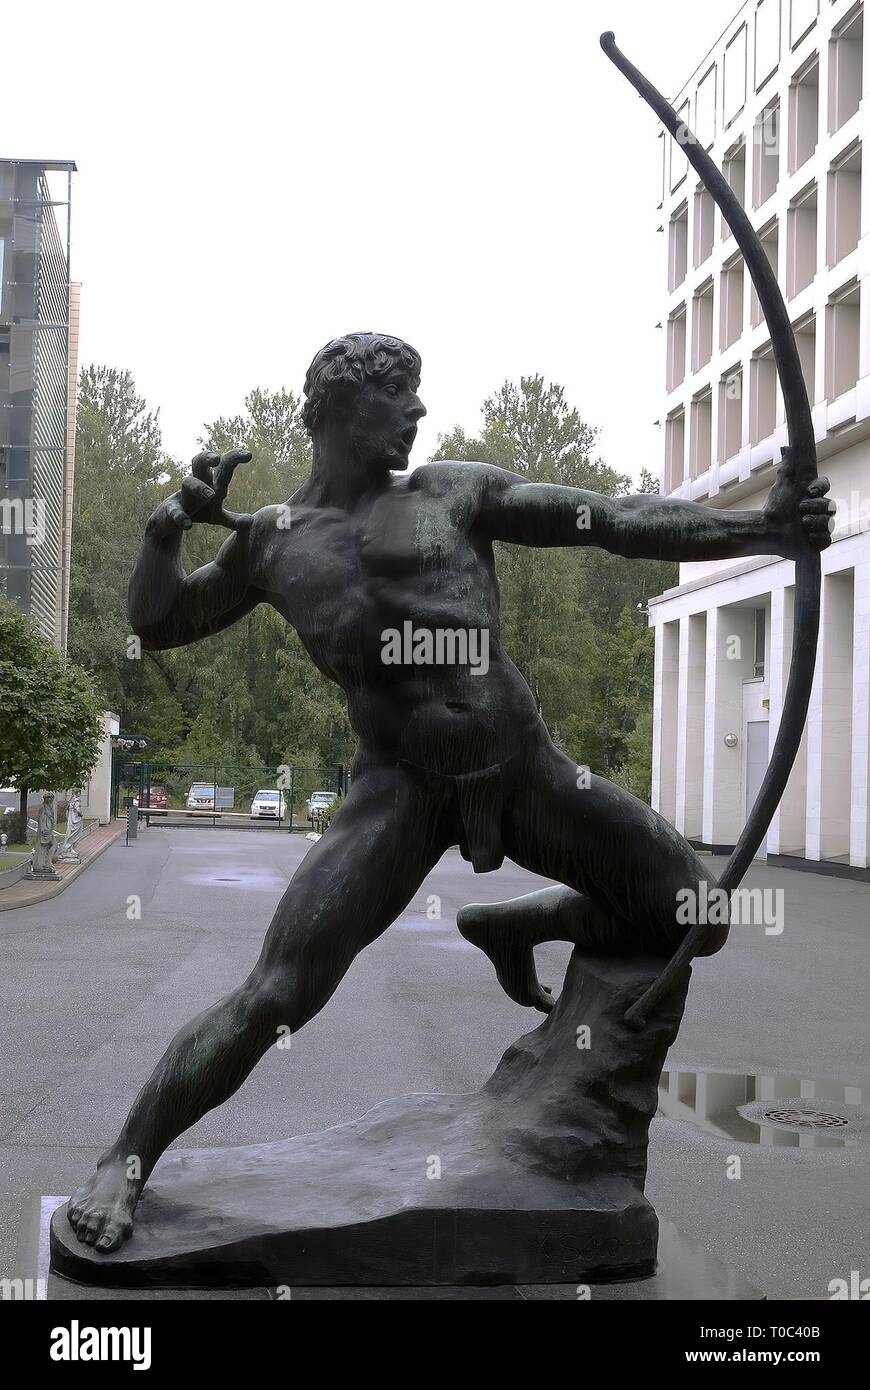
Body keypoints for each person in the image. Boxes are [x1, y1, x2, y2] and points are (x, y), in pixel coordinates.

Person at [67, 332, 833, 1252]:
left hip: (524, 771)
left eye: (417, 392)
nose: (419, 411)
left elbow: (613, 518)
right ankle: (125, 1159)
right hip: (399, 790)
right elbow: (158, 622)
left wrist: (763, 530)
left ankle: (524, 920)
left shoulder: (452, 492)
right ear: (340, 407)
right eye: (399, 393)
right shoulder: (271, 541)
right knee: (277, 994)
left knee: (698, 916)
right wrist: (165, 528)